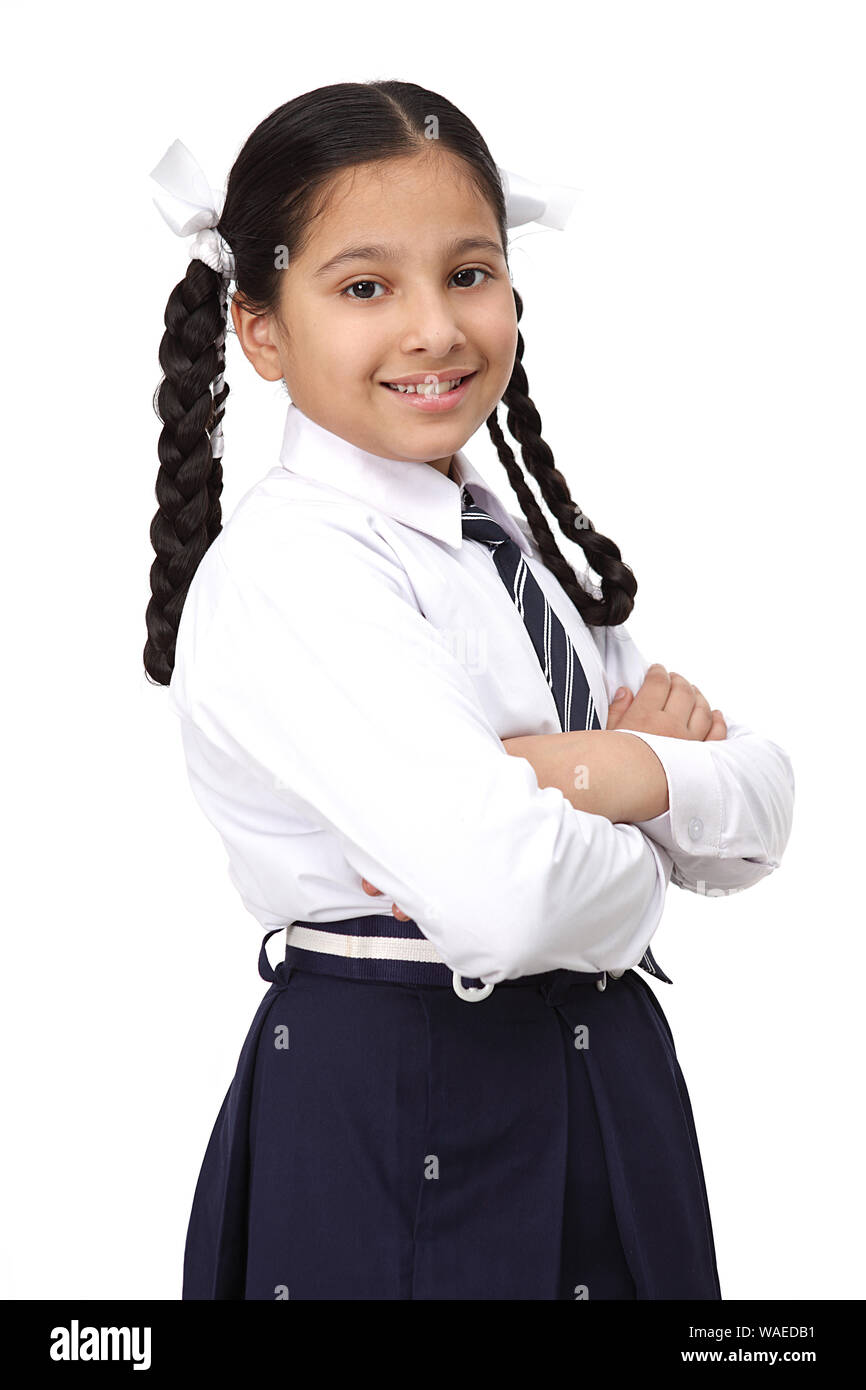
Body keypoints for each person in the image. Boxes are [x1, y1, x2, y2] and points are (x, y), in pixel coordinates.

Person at [145, 80, 795, 1301]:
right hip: (403, 1099)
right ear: (261, 328)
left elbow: (759, 811)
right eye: (362, 286)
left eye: (468, 273)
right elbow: (510, 903)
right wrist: (639, 815)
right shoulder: (293, 571)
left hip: (603, 1090)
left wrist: (572, 774)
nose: (435, 329)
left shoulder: (511, 541)